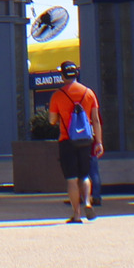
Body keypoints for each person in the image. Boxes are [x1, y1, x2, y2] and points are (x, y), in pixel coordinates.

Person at [48, 61, 102, 223]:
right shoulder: (89, 93)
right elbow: (96, 120)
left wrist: (60, 118)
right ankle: (87, 201)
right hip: (86, 140)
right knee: (84, 175)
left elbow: (51, 120)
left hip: (67, 140)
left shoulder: (58, 95)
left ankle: (76, 214)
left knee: (71, 178)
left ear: (63, 76)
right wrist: (98, 142)